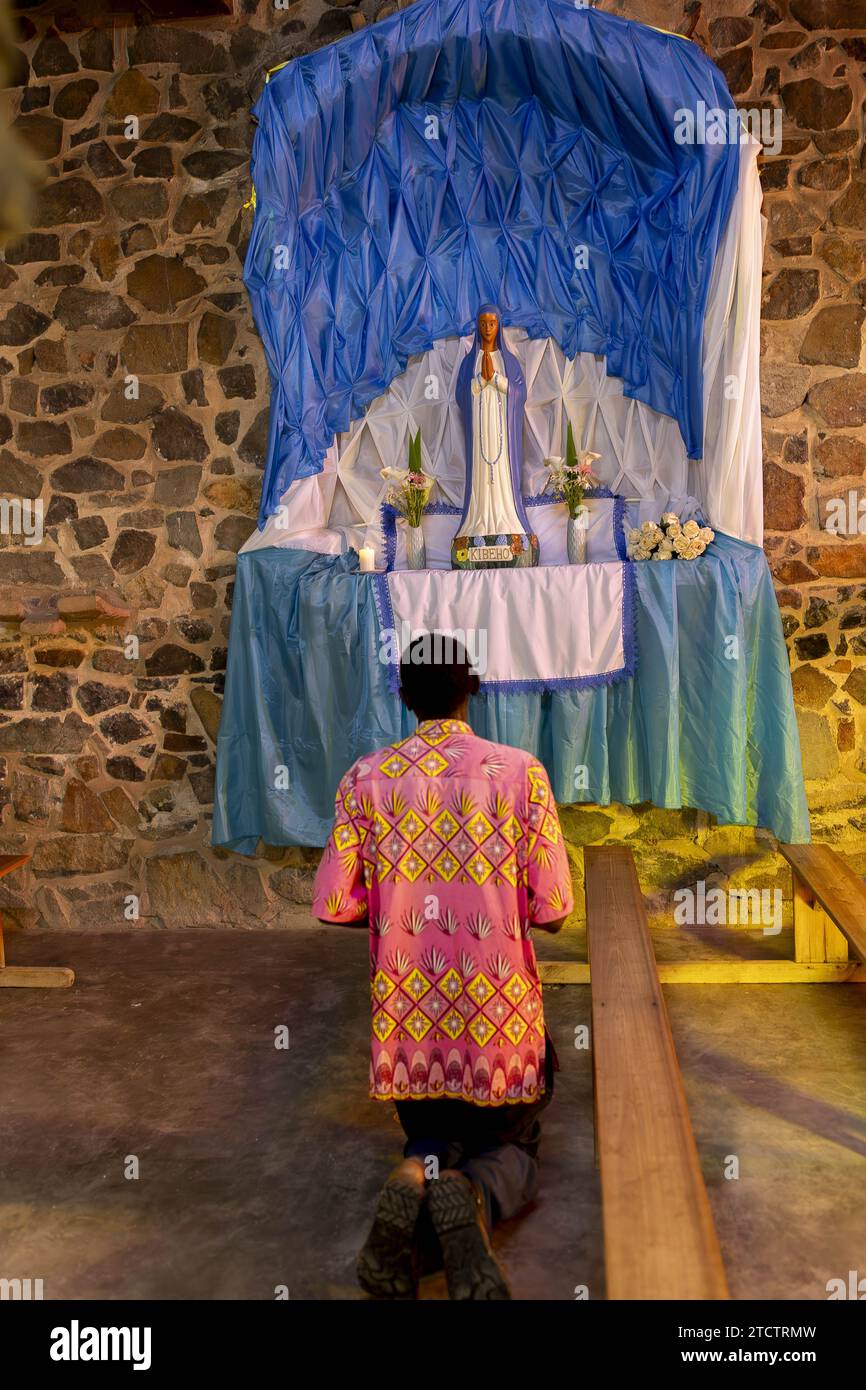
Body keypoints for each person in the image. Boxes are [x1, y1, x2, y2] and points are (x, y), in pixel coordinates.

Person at [312, 635, 573, 1299]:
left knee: (432, 1132)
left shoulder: (364, 778)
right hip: (498, 1028)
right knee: (515, 1149)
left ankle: (415, 1172)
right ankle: (472, 1196)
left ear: (403, 696)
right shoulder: (520, 774)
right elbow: (555, 908)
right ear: (472, 688)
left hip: (412, 1033)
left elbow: (334, 903)